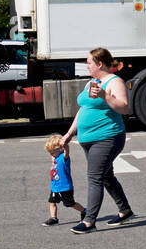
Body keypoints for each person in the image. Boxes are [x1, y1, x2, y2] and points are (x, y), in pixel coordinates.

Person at [61, 47, 136, 231]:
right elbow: (84, 109)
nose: (86, 66)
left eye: (88, 62)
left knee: (95, 177)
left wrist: (104, 95)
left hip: (108, 137)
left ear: (99, 63)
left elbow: (124, 107)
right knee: (106, 176)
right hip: (87, 139)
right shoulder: (91, 82)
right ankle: (125, 210)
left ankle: (89, 221)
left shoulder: (114, 82)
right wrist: (69, 134)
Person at [42, 133, 86, 227]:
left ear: (60, 149)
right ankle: (54, 218)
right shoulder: (55, 158)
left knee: (70, 204)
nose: (51, 154)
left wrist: (64, 144)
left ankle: (84, 211)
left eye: (52, 152)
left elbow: (67, 151)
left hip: (65, 187)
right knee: (52, 202)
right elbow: (53, 154)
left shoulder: (64, 157)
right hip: (55, 187)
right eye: (50, 152)